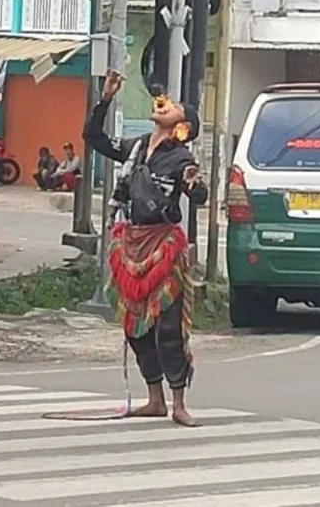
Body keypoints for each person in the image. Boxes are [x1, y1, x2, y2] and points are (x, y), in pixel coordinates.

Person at [83, 70, 207, 427]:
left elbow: (198, 195)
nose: (165, 105)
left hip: (163, 247)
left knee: (168, 328)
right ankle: (154, 399)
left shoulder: (181, 158)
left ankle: (179, 403)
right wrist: (105, 98)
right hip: (132, 244)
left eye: (176, 107)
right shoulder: (135, 148)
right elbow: (94, 138)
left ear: (182, 126)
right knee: (135, 326)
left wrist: (193, 185)